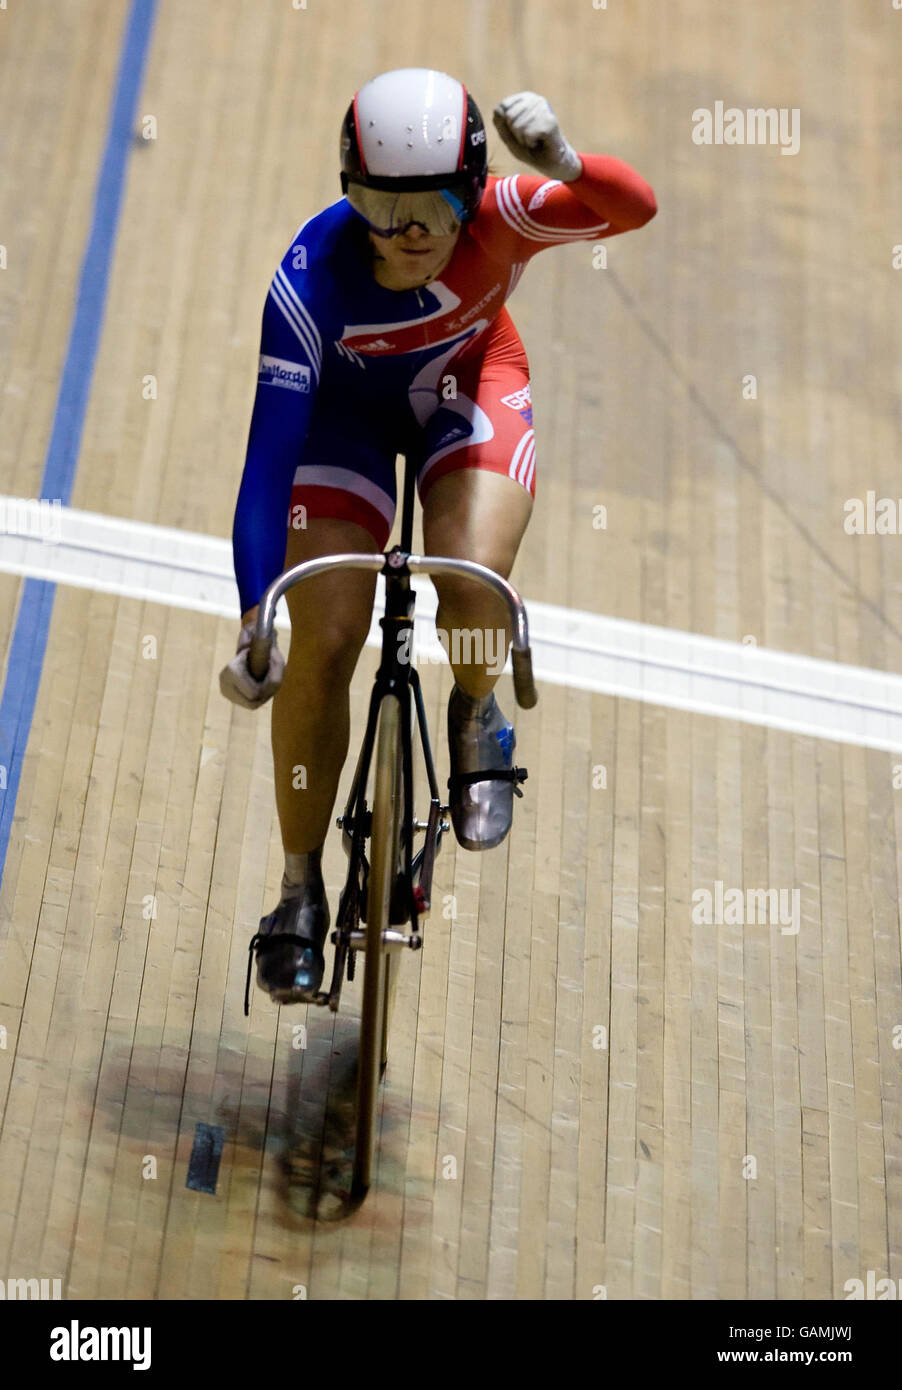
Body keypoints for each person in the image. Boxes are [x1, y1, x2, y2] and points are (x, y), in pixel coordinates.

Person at [220, 69, 656, 1007]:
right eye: (384, 203)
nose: (413, 231)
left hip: (471, 388)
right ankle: (299, 890)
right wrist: (258, 611)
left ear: (474, 188)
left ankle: (472, 712)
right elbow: (265, 471)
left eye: (437, 205)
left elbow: (634, 208)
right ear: (349, 192)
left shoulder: (505, 212)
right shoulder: (305, 285)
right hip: (347, 426)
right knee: (323, 638)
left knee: (471, 579)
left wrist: (568, 163)